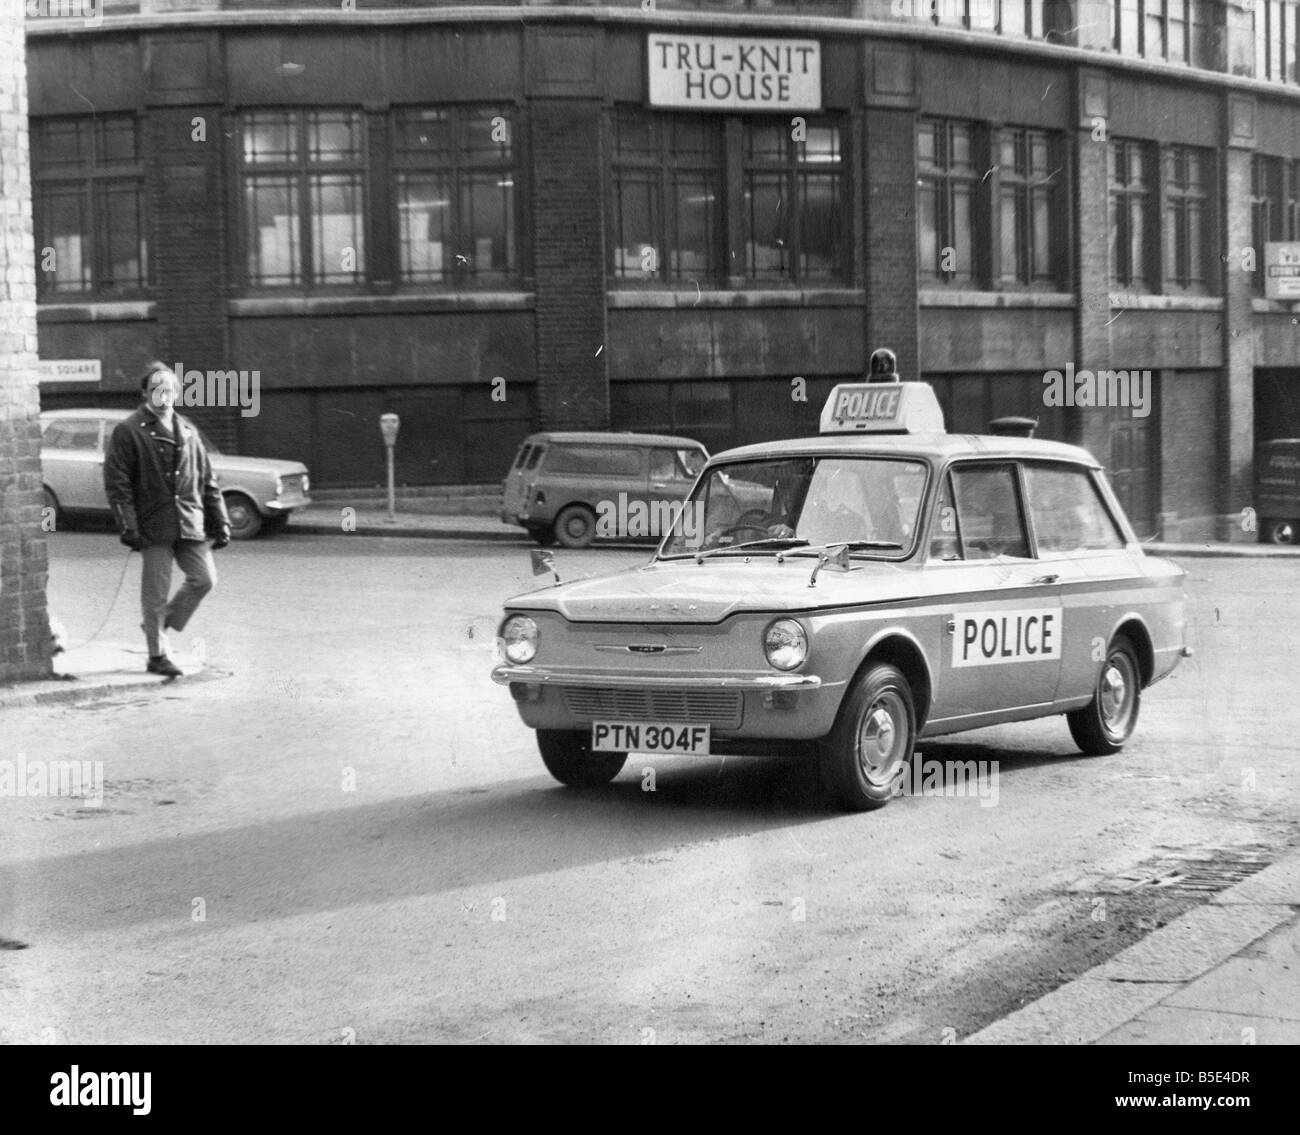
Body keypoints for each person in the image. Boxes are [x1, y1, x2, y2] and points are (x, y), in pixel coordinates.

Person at [103, 363, 232, 677]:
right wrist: (128, 525)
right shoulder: (129, 430)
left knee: (204, 579)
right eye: (157, 388)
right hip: (153, 524)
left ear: (176, 392)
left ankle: (155, 624)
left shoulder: (187, 429)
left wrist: (221, 520)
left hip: (190, 520)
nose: (165, 394)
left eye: (170, 388)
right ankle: (157, 655)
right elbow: (117, 482)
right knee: (155, 593)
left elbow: (207, 478)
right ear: (145, 393)